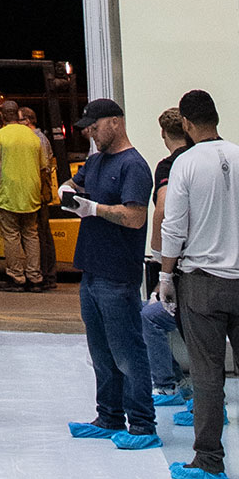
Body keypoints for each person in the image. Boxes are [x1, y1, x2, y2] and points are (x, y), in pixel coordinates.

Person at [159, 89, 239, 479]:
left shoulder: (185, 164)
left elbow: (173, 228)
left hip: (203, 286)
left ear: (187, 124)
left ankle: (209, 461)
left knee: (208, 375)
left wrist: (165, 276)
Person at [60, 98, 160, 450]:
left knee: (127, 351)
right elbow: (75, 184)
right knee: (101, 351)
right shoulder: (95, 161)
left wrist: (94, 209)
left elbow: (135, 217)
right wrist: (67, 192)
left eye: (95, 126)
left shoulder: (134, 166)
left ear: (115, 122)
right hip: (91, 268)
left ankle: (142, 423)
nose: (90, 132)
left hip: (117, 273)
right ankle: (109, 416)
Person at [141, 107, 191, 405]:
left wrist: (160, 260)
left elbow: (162, 209)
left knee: (148, 318)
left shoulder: (170, 166)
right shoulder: (201, 158)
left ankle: (166, 384)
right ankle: (181, 383)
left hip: (181, 264)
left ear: (163, 134)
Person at [0, 100, 50, 291]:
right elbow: (43, 167)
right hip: (31, 193)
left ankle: (17, 277)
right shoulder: (33, 136)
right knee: (31, 235)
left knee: (11, 236)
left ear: (3, 115)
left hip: (8, 192)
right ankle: (35, 277)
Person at [19, 106, 60, 290]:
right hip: (39, 190)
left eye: (20, 120)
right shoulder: (38, 137)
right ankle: (47, 274)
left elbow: (43, 167)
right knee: (42, 233)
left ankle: (46, 275)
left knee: (40, 234)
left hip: (38, 192)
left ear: (28, 120)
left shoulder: (37, 138)